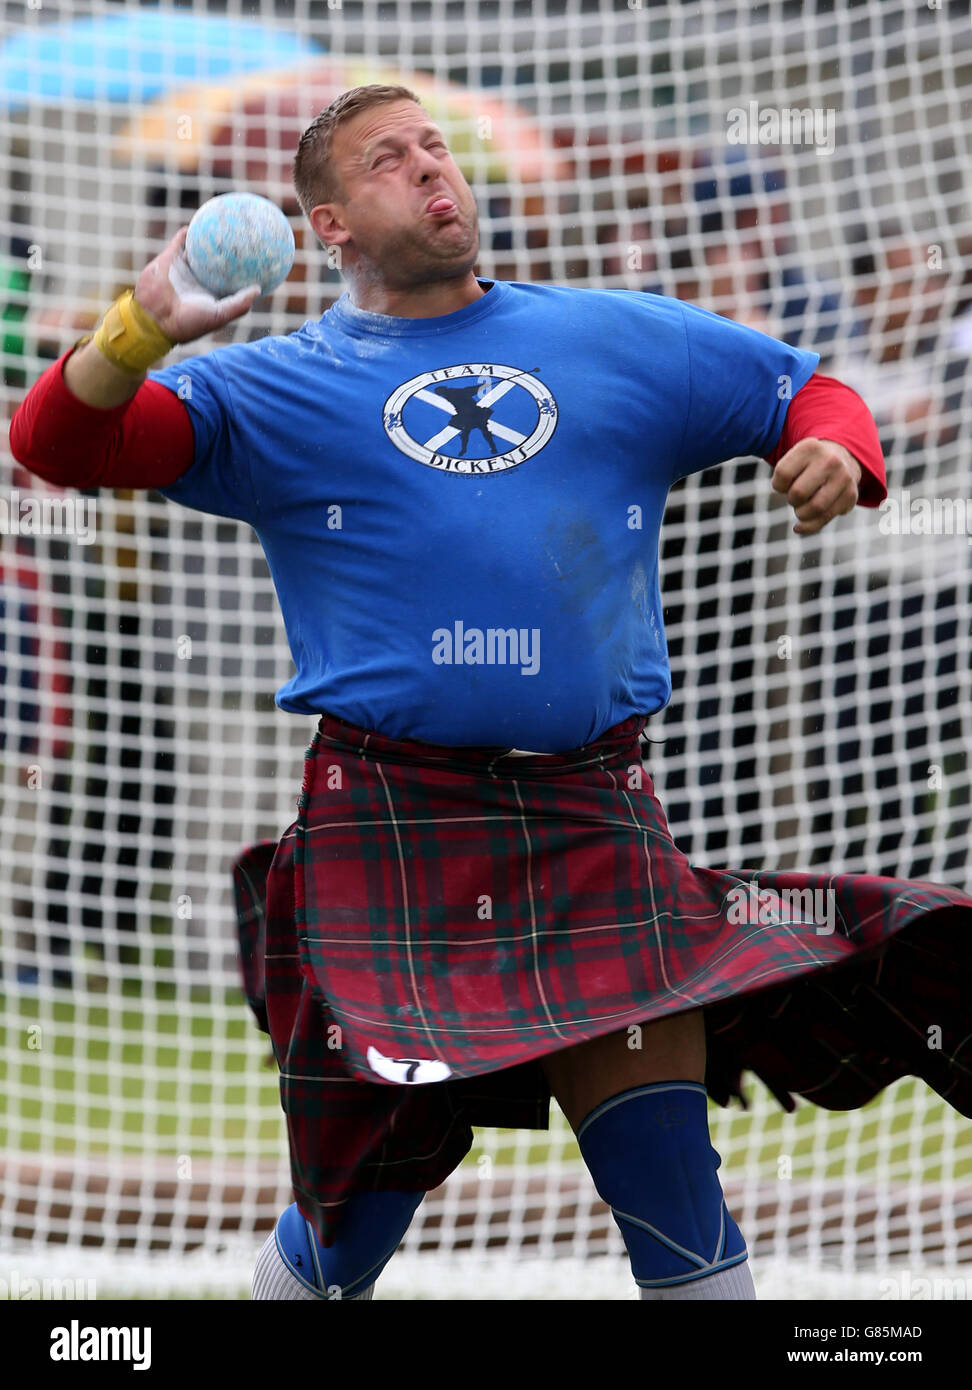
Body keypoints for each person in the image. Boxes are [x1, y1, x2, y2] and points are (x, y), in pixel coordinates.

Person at [10, 83, 972, 1303]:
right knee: (353, 1219)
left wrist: (837, 445)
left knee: (672, 1191)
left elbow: (803, 389)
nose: (431, 167)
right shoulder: (274, 389)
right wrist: (141, 323)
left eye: (435, 146)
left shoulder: (617, 337)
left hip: (593, 817)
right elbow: (57, 444)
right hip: (393, 827)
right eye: (387, 159)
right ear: (328, 226)